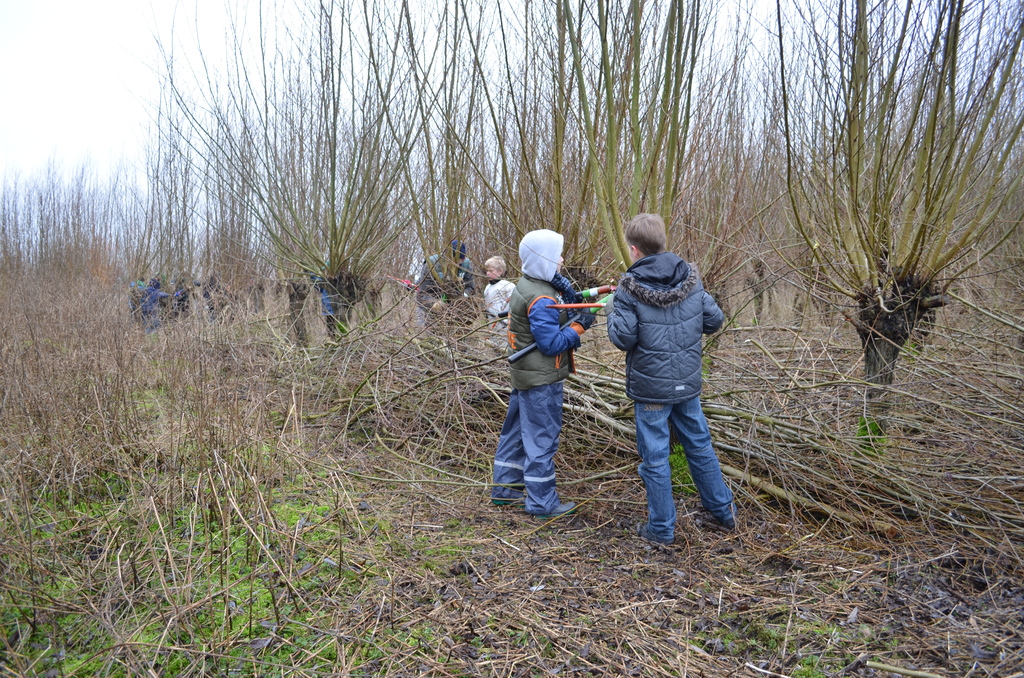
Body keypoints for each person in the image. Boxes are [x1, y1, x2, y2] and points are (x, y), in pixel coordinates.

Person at [606, 213, 735, 545]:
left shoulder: (627, 288)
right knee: (700, 446)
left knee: (655, 457)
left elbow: (623, 338)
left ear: (634, 250)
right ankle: (724, 512)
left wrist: (611, 308)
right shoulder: (690, 279)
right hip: (687, 383)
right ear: (662, 242)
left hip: (651, 390)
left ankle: (661, 529)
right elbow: (714, 320)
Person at [490, 229, 596, 519]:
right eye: (556, 255)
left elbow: (548, 323)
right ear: (543, 259)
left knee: (515, 433)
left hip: (525, 375)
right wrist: (580, 326)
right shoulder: (542, 297)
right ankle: (542, 502)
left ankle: (505, 490)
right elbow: (550, 344)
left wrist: (570, 299)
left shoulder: (528, 284)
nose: (561, 259)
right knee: (542, 437)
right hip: (541, 379)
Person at [415, 239, 476, 321]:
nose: (460, 262)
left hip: (454, 311)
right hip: (430, 308)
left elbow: (471, 288)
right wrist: (434, 304)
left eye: (462, 259)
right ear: (449, 257)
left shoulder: (466, 264)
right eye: (457, 259)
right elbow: (422, 294)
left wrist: (462, 297)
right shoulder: (432, 264)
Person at [483, 255, 516, 337]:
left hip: (505, 327)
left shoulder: (508, 286)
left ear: (500, 271)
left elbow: (515, 307)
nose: (488, 273)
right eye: (487, 271)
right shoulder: (487, 288)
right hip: (492, 326)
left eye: (491, 271)